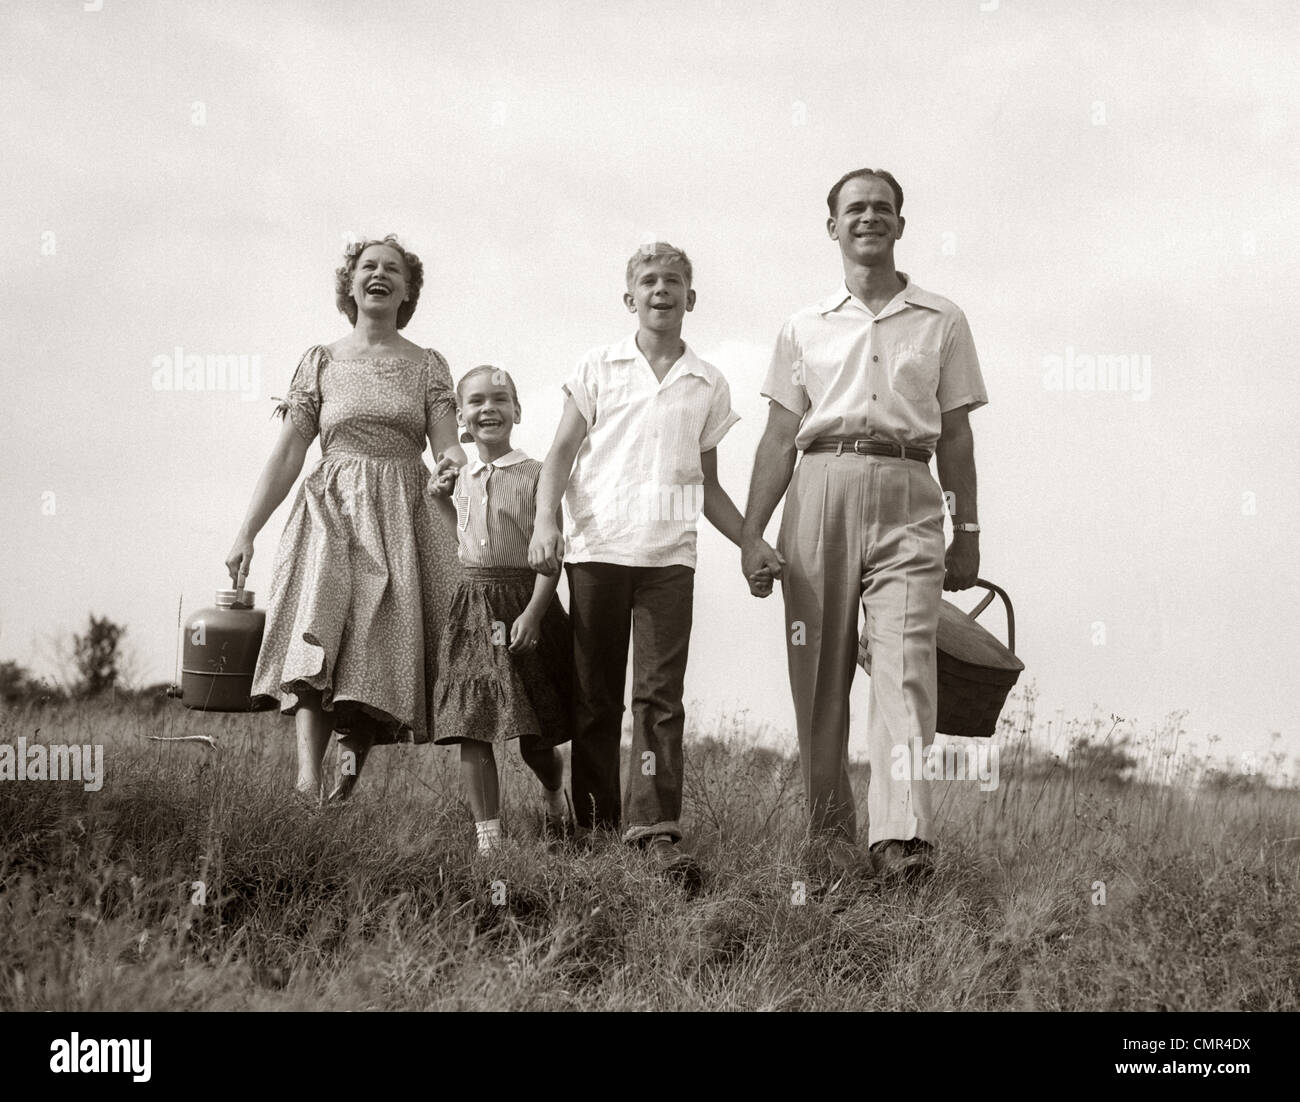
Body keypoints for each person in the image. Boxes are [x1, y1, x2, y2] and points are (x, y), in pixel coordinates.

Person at [741, 169, 988, 886]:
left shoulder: (942, 319)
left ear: (901, 226)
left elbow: (959, 437)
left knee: (906, 668)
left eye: (883, 208)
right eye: (855, 209)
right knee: (819, 675)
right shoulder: (803, 325)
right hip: (819, 487)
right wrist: (755, 533)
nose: (869, 218)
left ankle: (900, 840)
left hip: (910, 491)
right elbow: (777, 434)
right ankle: (827, 839)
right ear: (833, 227)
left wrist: (965, 527)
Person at [528, 241, 776, 887]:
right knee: (595, 698)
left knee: (660, 698)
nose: (661, 290)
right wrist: (545, 521)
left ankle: (654, 830)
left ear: (690, 299)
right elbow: (558, 453)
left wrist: (750, 540)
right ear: (629, 298)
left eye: (673, 282)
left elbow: (707, 485)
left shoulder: (707, 382)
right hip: (597, 551)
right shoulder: (598, 367)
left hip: (669, 560)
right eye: (648, 281)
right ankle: (592, 827)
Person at [227, 234, 465, 803]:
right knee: (318, 632)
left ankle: (349, 766)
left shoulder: (428, 365)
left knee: (381, 647)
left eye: (392, 270)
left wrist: (453, 466)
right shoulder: (322, 361)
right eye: (368, 267)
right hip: (330, 511)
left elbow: (447, 446)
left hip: (406, 513)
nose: (378, 275)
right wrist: (246, 531)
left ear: (408, 290)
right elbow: (288, 453)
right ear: (350, 283)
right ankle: (307, 780)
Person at [426, 365, 574, 855]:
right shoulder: (459, 476)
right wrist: (441, 502)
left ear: (516, 411)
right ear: (462, 418)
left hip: (524, 603)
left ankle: (555, 797)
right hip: (472, 606)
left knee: (534, 734)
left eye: (499, 399)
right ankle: (488, 843)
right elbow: (464, 542)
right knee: (472, 724)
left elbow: (552, 557)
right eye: (475, 402)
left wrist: (533, 614)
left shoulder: (536, 476)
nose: (488, 408)